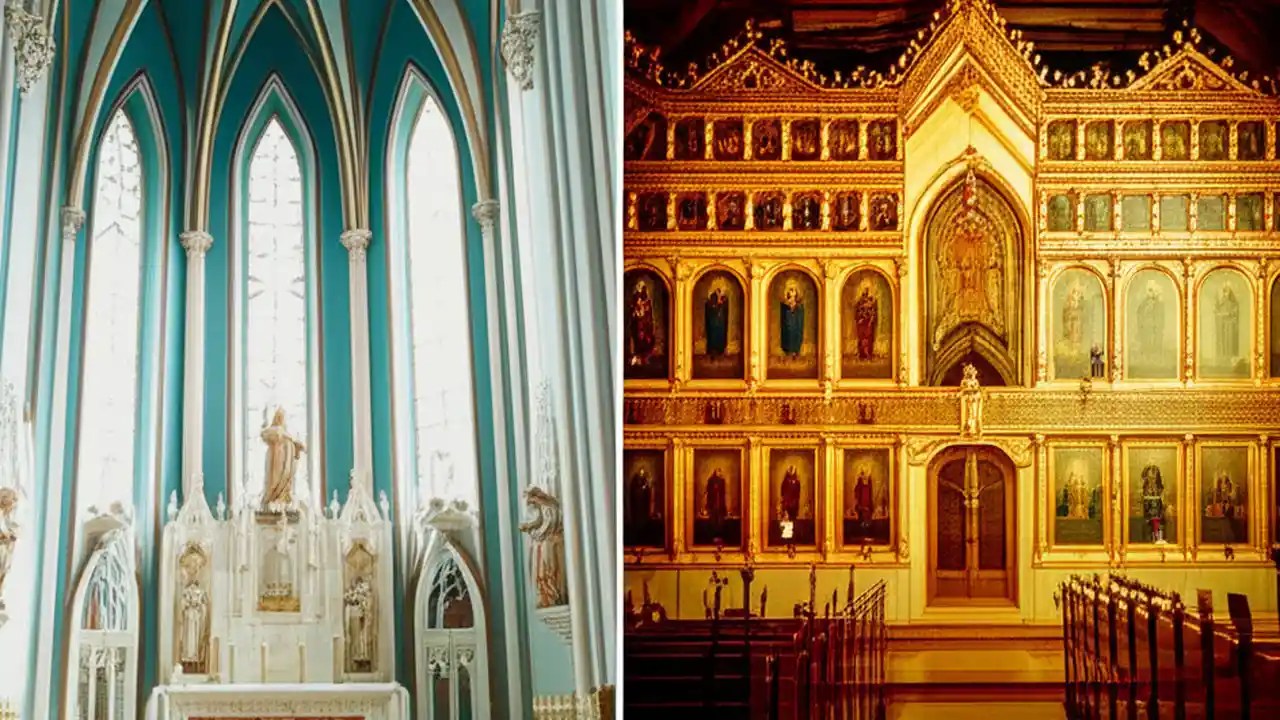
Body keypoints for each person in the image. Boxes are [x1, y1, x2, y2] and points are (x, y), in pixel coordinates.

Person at [627, 279, 657, 367]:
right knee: (637, 339)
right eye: (640, 287)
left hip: (645, 324)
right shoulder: (635, 298)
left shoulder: (647, 300)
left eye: (642, 287)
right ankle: (636, 357)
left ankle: (644, 358)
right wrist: (636, 311)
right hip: (637, 324)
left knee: (646, 340)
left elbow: (648, 313)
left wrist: (643, 310)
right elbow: (633, 311)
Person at [854, 285, 878, 361]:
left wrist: (870, 320)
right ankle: (862, 355)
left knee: (868, 339)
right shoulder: (860, 302)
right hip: (862, 323)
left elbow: (873, 313)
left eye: (867, 290)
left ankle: (868, 355)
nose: (866, 292)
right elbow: (857, 312)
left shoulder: (871, 301)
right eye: (864, 290)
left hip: (868, 323)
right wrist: (860, 318)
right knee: (861, 338)